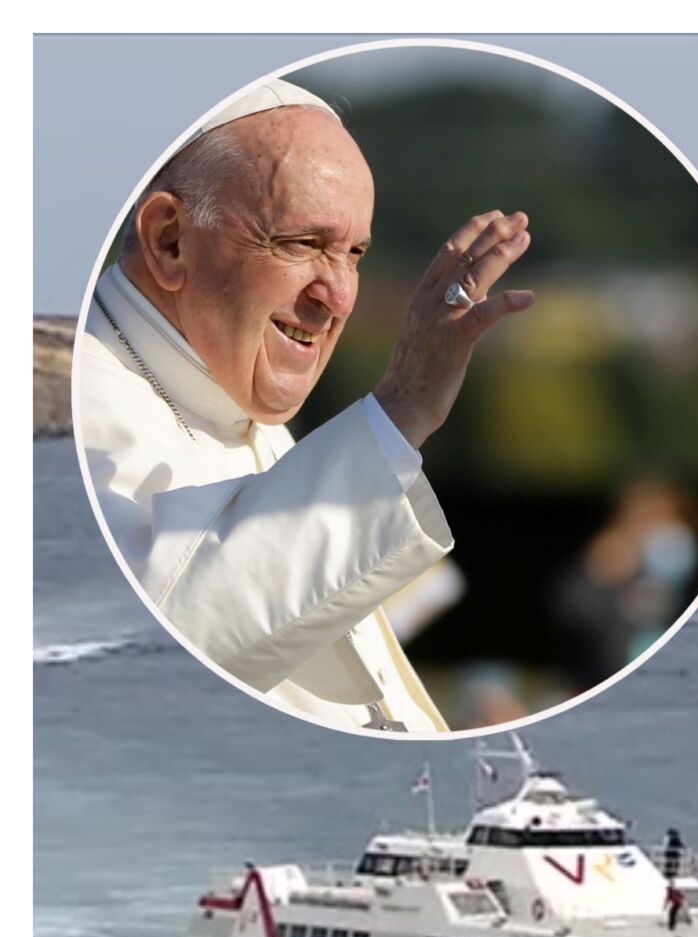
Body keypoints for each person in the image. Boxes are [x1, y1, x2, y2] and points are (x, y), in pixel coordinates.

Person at [76, 79, 535, 733]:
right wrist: (400, 408)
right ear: (171, 239)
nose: (339, 297)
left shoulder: (233, 401)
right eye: (302, 244)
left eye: (354, 254)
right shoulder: (57, 407)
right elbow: (155, 654)